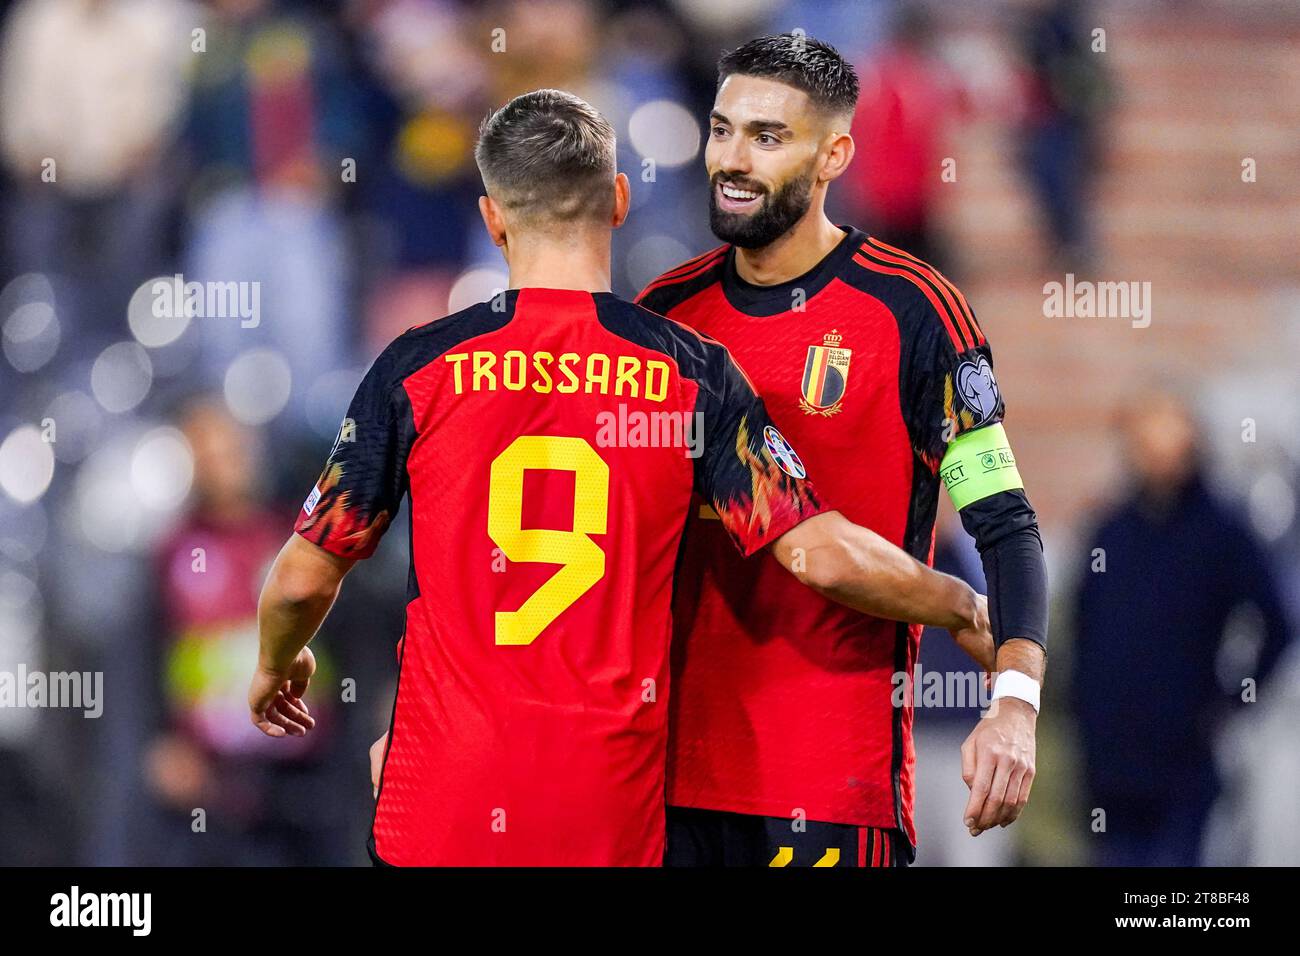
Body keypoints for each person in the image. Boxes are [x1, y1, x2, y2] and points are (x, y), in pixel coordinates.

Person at [248, 88, 992, 867]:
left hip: (442, 803)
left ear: (493, 218)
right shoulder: (692, 375)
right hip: (605, 818)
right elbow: (820, 555)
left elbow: (302, 580)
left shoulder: (419, 368)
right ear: (619, 200)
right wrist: (963, 605)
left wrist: (279, 662)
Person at [636, 34, 1049, 867]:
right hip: (664, 781)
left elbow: (1003, 521)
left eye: (767, 136)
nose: (732, 159)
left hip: (829, 785)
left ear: (835, 155)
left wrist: (1013, 705)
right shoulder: (664, 314)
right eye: (721, 130)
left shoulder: (915, 311)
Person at [1073, 390, 1291, 866]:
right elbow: (1085, 631)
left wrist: (1229, 702)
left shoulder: (1219, 530)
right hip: (1111, 766)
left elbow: (1275, 623)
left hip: (1181, 765)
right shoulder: (1112, 530)